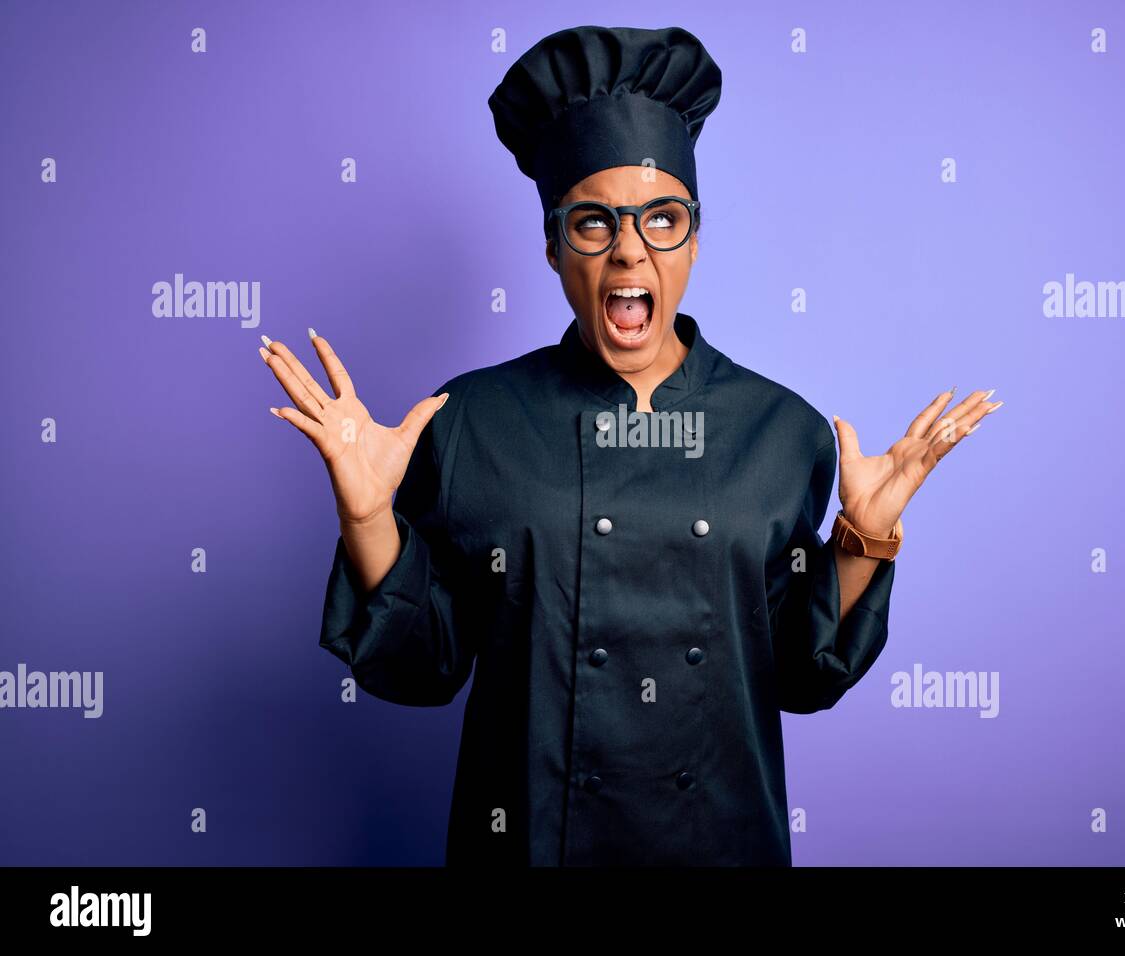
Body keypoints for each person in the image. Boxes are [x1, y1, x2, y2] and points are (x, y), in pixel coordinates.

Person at [259, 24, 1003, 866]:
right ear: (551, 245)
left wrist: (861, 539)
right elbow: (422, 667)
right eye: (593, 223)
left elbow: (800, 675)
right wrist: (367, 518)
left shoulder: (783, 431)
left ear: (692, 238)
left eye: (661, 219)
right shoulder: (470, 419)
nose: (629, 248)